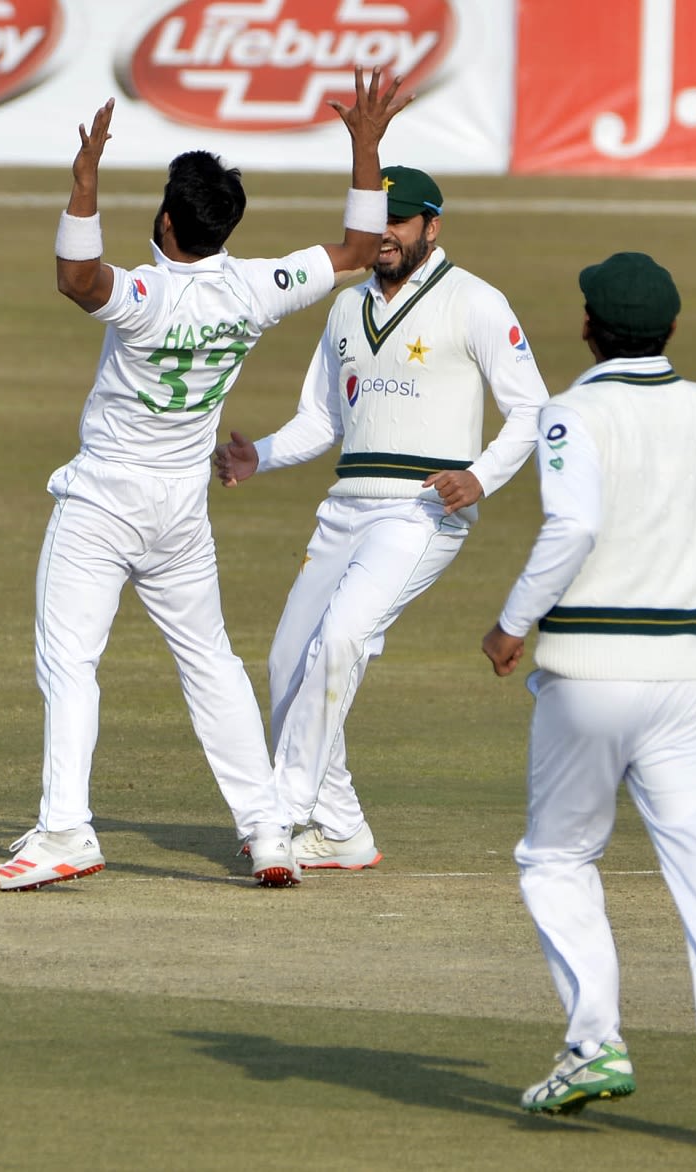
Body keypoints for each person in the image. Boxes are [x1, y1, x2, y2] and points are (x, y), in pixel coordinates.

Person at [0, 68, 413, 892]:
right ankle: (268, 831)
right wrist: (365, 146)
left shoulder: (144, 295)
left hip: (105, 500)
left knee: (70, 663)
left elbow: (78, 280)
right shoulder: (256, 287)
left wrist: (82, 185)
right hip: (180, 509)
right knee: (210, 663)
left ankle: (66, 829)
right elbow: (358, 250)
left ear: (167, 222)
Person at [480, 252, 696, 1148]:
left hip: (589, 673)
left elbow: (572, 523)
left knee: (557, 858)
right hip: (689, 677)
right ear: (672, 330)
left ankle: (594, 1044)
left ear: (588, 326)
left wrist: (511, 622)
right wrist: (686, 548)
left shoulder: (574, 412)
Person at [214, 167, 548, 870]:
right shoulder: (345, 308)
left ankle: (282, 807)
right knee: (286, 662)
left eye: (402, 220)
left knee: (340, 639)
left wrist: (480, 475)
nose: (386, 233)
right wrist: (261, 457)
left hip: (422, 508)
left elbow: (531, 408)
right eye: (380, 219)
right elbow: (322, 418)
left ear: (434, 225)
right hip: (345, 508)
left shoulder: (476, 301)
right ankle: (341, 829)